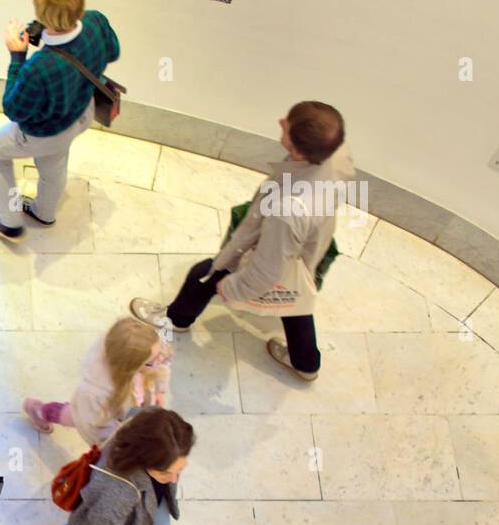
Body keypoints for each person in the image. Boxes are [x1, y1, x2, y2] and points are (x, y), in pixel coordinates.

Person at [130, 101, 355, 380]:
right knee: (296, 300)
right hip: (310, 244)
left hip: (280, 246)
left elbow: (267, 270)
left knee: (204, 276)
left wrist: (234, 287)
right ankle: (306, 363)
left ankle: (175, 319)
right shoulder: (335, 154)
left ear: (297, 151)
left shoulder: (288, 211)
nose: (281, 120)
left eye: (288, 124)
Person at [0, 0, 120, 241]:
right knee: (54, 163)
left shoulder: (40, 67)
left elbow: (14, 109)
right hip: (81, 115)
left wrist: (17, 55)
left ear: (45, 17)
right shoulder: (96, 20)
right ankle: (44, 212)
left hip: (43, 132)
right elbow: (113, 52)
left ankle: (10, 221)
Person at [49, 406, 195, 525]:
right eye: (165, 472)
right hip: (105, 515)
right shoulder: (111, 497)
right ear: (142, 459)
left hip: (146, 499)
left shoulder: (151, 428)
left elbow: (137, 410)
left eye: (180, 469)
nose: (174, 479)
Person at [23, 318, 171, 445]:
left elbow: (161, 363)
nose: (160, 361)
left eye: (160, 354)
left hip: (123, 412)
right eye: (152, 362)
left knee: (75, 414)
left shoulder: (145, 348)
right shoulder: (95, 392)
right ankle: (39, 411)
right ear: (130, 365)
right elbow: (97, 431)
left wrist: (159, 390)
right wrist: (122, 439)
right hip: (100, 416)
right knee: (71, 415)